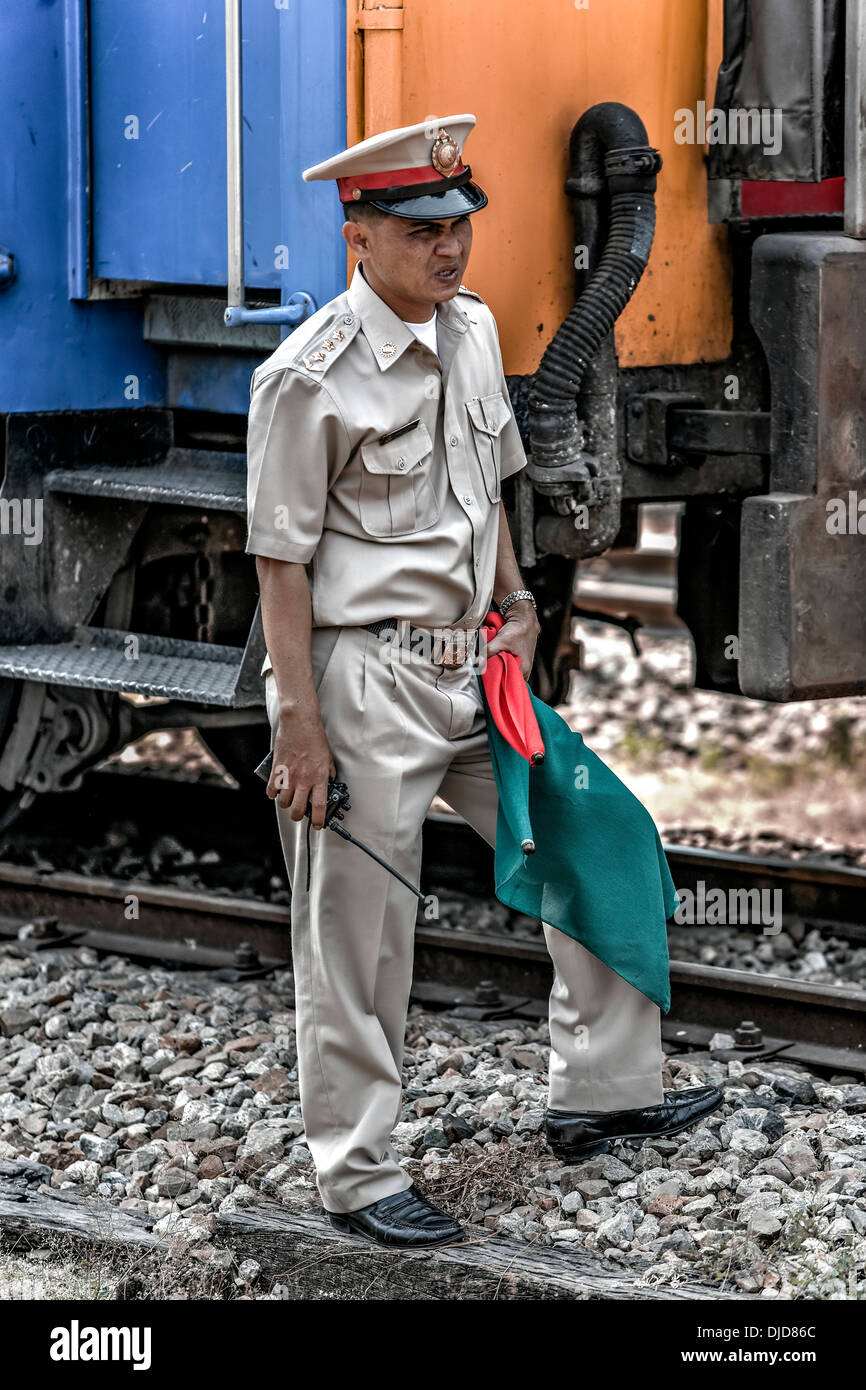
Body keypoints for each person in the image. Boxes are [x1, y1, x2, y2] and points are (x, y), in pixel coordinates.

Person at [244, 113, 722, 1249]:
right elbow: (277, 561)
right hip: (361, 680)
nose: (448, 247)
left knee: (597, 832)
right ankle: (355, 1175)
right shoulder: (304, 378)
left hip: (472, 670)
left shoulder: (470, 330)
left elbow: (488, 479)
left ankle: (601, 1092)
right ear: (357, 235)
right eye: (419, 230)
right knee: (356, 938)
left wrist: (516, 602)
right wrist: (297, 729)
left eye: (457, 223)